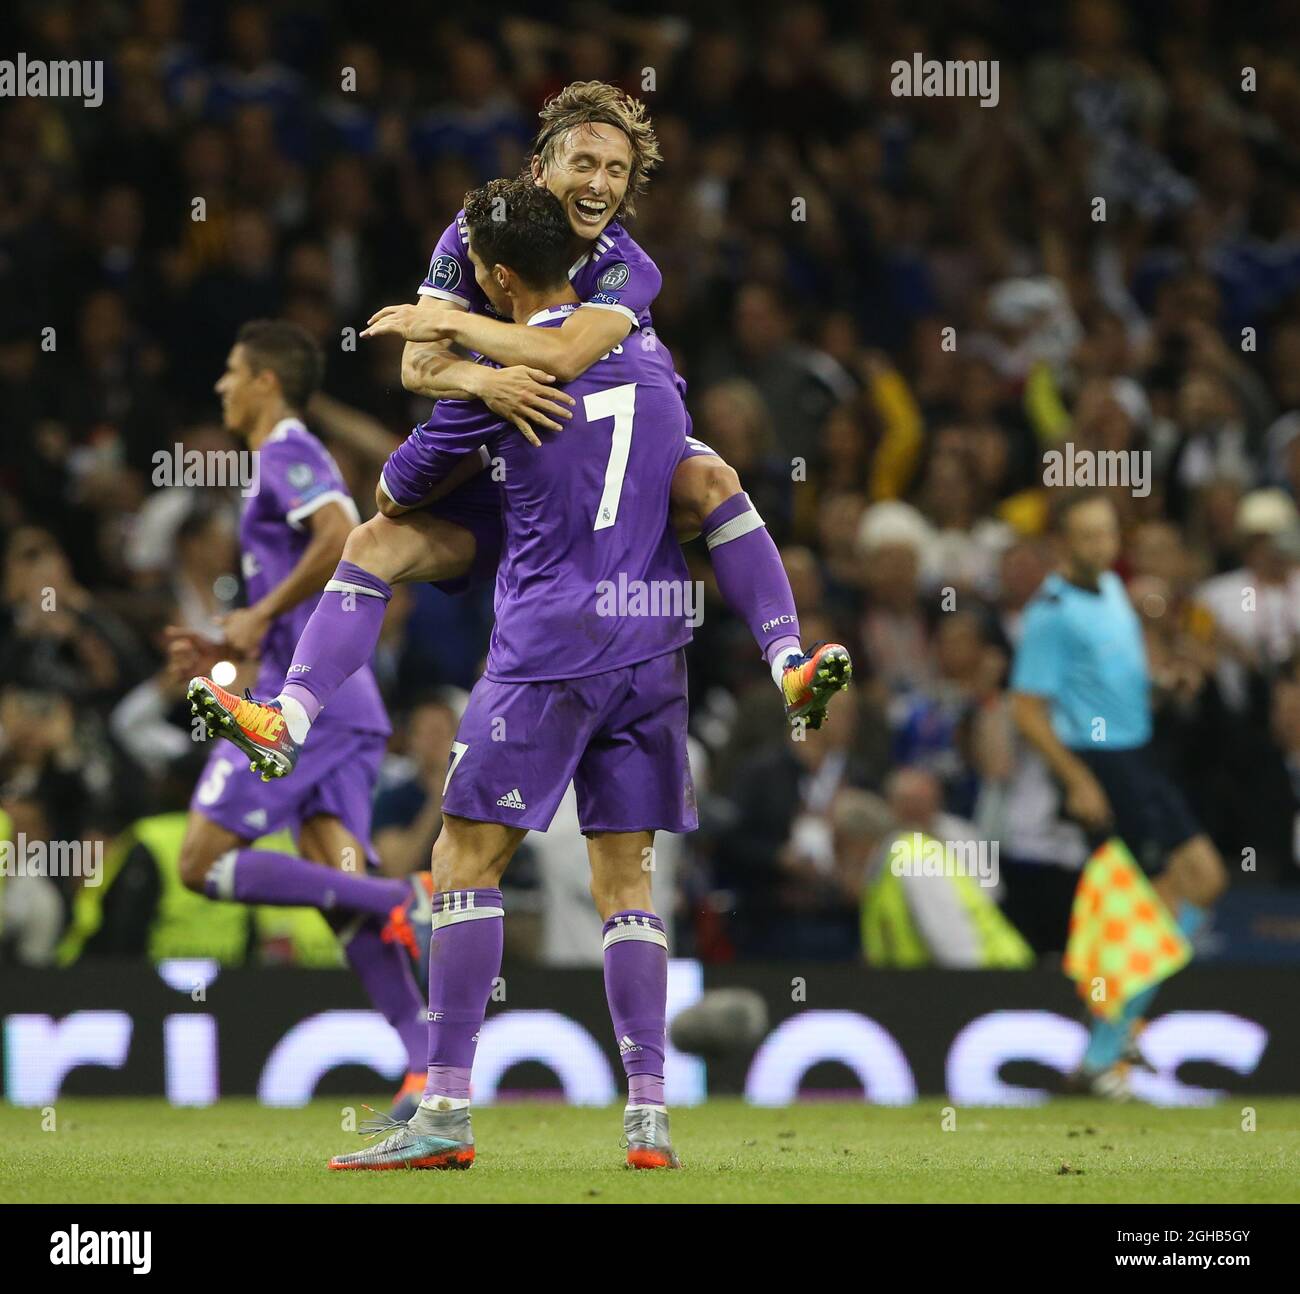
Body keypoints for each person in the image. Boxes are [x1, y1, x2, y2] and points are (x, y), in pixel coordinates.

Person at [306, 178, 696, 1170]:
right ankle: (648, 1113)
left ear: (491, 273)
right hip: (651, 642)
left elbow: (396, 486)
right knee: (626, 877)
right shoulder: (651, 361)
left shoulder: (510, 389)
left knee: (464, 861)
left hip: (548, 642)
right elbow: (711, 491)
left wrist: (457, 357)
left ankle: (444, 1108)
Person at [358, 80, 852, 727]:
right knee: (373, 540)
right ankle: (291, 715)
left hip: (608, 459)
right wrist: (486, 383)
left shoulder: (630, 266)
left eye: (616, 170)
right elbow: (414, 364)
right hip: (509, 443)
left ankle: (789, 666)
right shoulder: (474, 231)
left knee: (713, 478)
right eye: (584, 164)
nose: (599, 184)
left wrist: (456, 331)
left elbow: (563, 356)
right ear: (541, 169)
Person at [171, 320, 432, 1119]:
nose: (220, 385)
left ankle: (405, 895)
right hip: (342, 704)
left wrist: (259, 614)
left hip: (303, 712)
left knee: (201, 863)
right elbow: (300, 589)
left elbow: (340, 535)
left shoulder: (289, 449)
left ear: (265, 383)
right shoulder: (274, 460)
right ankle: (427, 1072)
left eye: (230, 369)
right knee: (339, 891)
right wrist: (237, 634)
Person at [1009, 490, 1227, 1096]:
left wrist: (1164, 683)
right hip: (1105, 765)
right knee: (1188, 886)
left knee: (1180, 893)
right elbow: (1025, 709)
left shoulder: (1108, 590)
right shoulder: (1051, 610)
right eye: (1086, 537)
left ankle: (1112, 1032)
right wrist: (1077, 778)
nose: (1100, 546)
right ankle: (1112, 1036)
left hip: (1139, 754)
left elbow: (1112, 679)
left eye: (1107, 534)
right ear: (1062, 544)